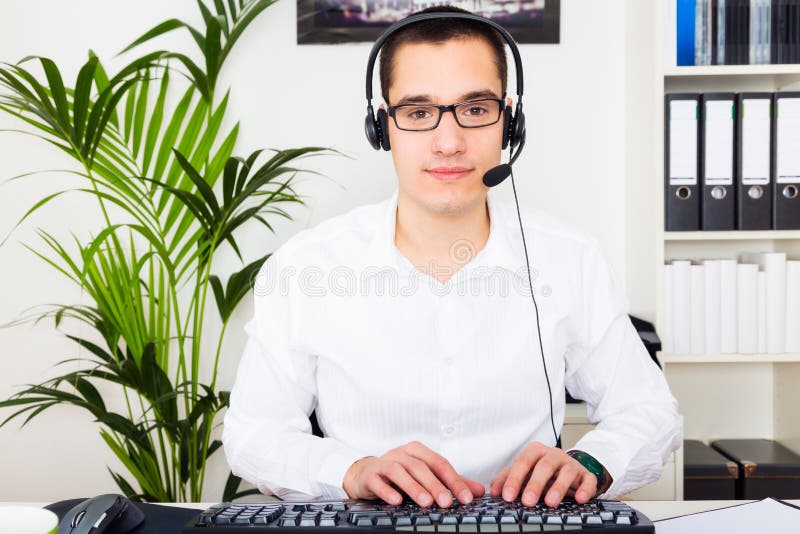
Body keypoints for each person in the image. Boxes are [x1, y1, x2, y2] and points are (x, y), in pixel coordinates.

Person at [222, 6, 681, 509]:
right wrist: (349, 471)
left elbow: (649, 411)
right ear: (382, 127)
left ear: (510, 122)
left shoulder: (570, 259)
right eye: (419, 113)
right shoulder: (306, 266)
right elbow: (253, 435)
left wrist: (593, 461)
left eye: (476, 110)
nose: (449, 142)